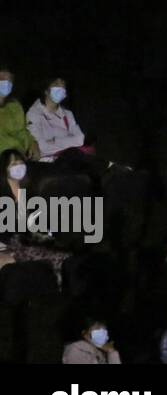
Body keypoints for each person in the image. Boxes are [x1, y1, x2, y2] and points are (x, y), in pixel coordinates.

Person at [0, 149, 72, 282]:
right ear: (5, 169)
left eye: (21, 163)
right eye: (14, 164)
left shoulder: (31, 186)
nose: (18, 167)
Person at [26, 78, 91, 163]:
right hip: (46, 165)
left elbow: (80, 139)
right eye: (56, 84)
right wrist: (69, 140)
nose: (61, 88)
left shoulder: (68, 114)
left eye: (63, 86)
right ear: (46, 91)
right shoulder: (34, 113)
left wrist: (54, 141)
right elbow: (41, 148)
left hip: (68, 161)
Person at [0, 70, 38, 159]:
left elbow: (21, 131)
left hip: (17, 156)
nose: (6, 82)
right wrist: (15, 148)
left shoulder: (15, 106)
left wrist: (32, 143)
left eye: (9, 79)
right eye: (2, 77)